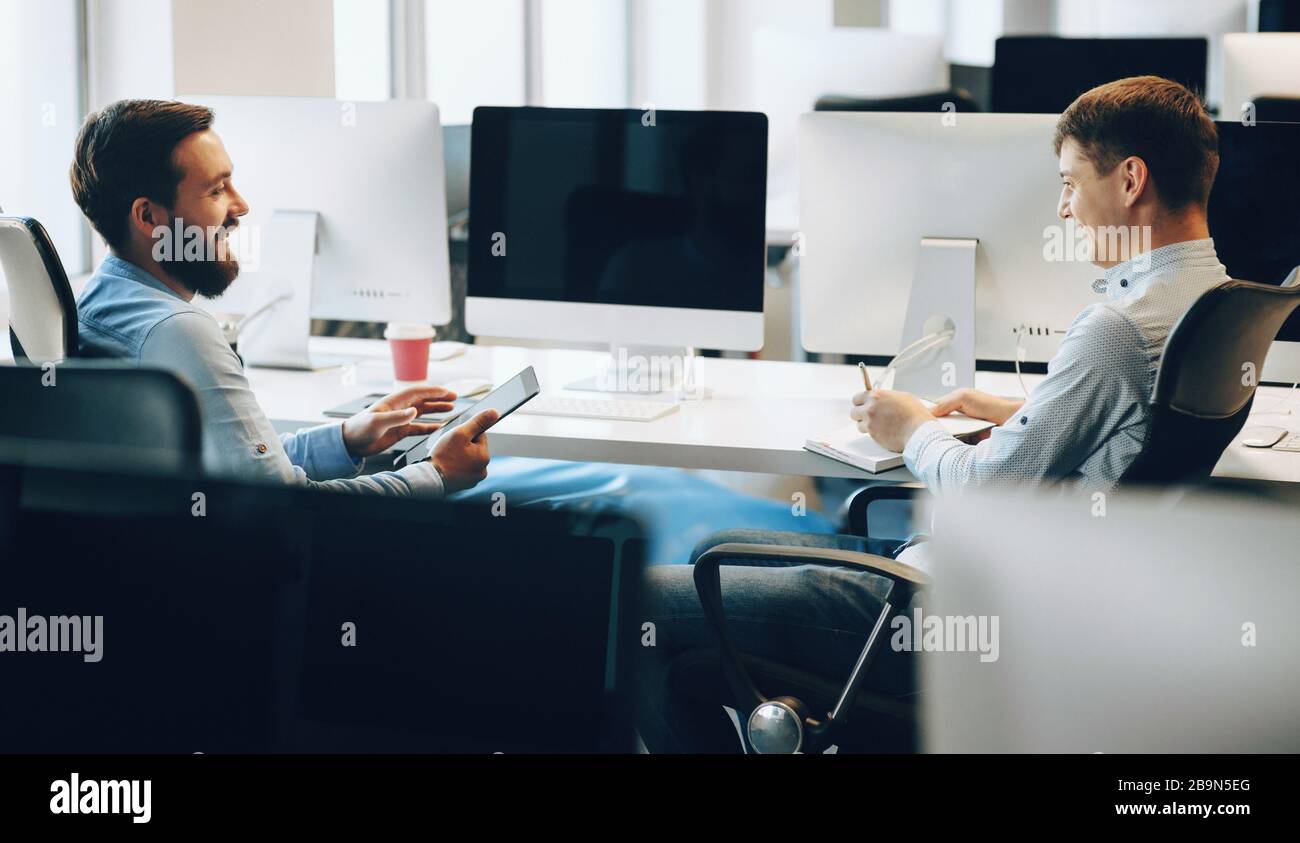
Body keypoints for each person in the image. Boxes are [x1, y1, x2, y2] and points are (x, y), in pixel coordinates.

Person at [637, 76, 1232, 752]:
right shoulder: (1210, 296)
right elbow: (1134, 430)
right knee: (707, 559)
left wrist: (909, 428)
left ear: (1130, 181)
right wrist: (1029, 411)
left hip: (955, 608)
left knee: (645, 605)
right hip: (1051, 602)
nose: (1064, 209)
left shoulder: (1116, 328)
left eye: (1070, 182)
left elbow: (985, 486)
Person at [71, 99, 494, 496]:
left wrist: (349, 438)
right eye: (216, 191)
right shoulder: (177, 332)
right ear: (148, 217)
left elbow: (247, 466)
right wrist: (436, 474)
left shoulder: (102, 301)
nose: (241, 206)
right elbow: (286, 506)